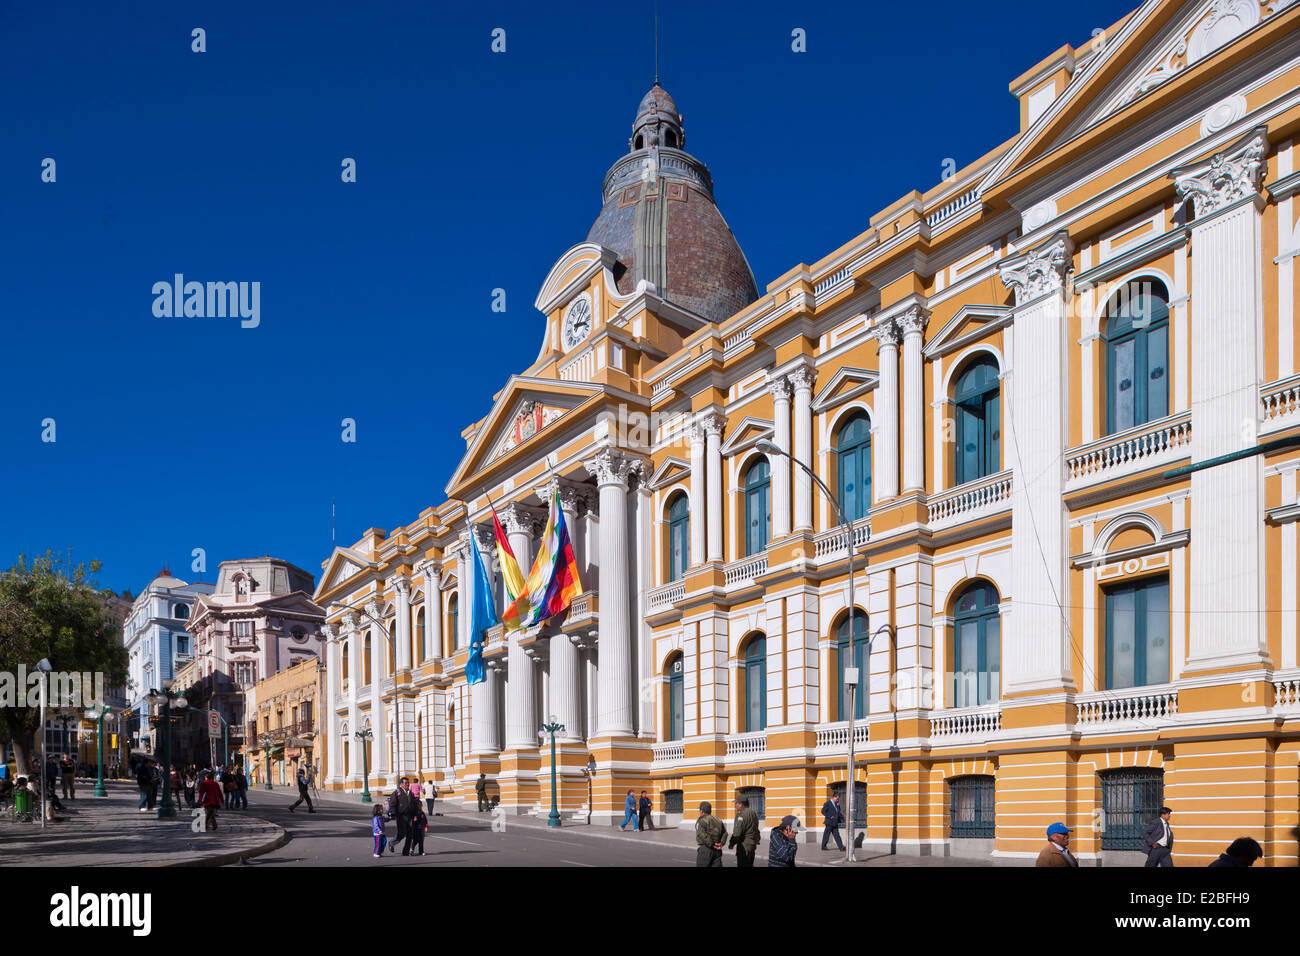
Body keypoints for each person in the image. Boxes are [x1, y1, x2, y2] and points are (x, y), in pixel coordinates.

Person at [730, 797, 760, 867]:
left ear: (741, 804)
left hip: (744, 845)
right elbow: (756, 828)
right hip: (752, 844)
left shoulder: (741, 814)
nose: (735, 805)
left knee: (743, 864)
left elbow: (737, 832)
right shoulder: (753, 812)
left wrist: (732, 843)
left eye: (736, 803)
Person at [694, 801, 727, 867]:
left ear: (701, 811)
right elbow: (725, 833)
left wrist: (712, 844)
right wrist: (721, 843)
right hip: (717, 850)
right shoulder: (717, 819)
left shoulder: (701, 820)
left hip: (706, 849)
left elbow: (702, 835)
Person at [388, 778, 412, 854]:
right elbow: (392, 803)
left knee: (410, 834)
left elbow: (413, 804)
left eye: (408, 783)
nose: (407, 784)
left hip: (409, 816)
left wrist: (416, 814)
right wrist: (393, 813)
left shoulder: (410, 793)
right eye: (406, 783)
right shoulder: (397, 792)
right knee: (402, 833)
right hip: (401, 816)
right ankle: (392, 843)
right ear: (401, 784)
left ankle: (405, 852)